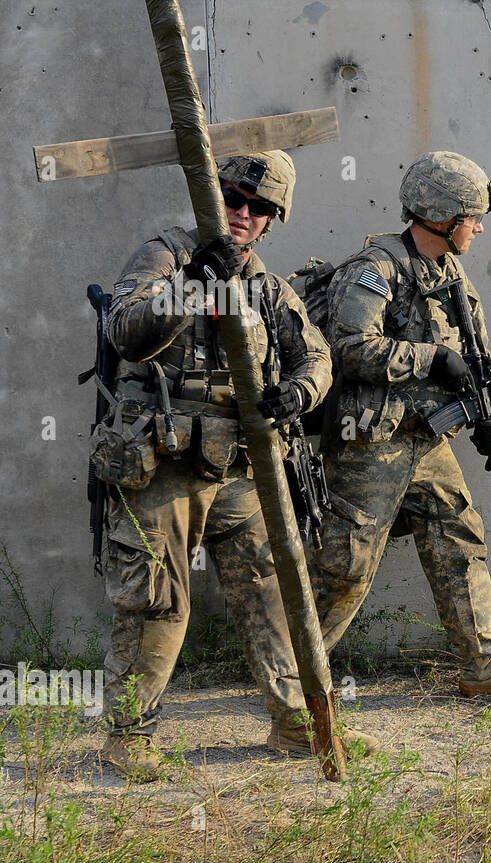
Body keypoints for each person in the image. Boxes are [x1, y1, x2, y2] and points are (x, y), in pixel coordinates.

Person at [95, 150, 370, 780]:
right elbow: (127, 333)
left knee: (272, 590)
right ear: (213, 196)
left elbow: (318, 358)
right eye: (233, 200)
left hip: (240, 466)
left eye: (259, 208)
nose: (243, 215)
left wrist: (297, 394)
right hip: (163, 458)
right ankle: (128, 738)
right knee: (157, 595)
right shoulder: (165, 255)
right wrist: (194, 279)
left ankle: (298, 726)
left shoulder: (268, 286)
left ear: (275, 219)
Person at [310, 150, 491, 697]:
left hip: (423, 437)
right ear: (443, 216)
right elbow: (345, 349)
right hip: (369, 440)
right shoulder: (373, 271)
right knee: (346, 561)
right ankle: (294, 676)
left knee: (458, 534)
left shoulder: (448, 271)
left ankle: (485, 666)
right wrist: (430, 359)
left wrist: (479, 385)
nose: (479, 227)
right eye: (472, 217)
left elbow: (467, 348)